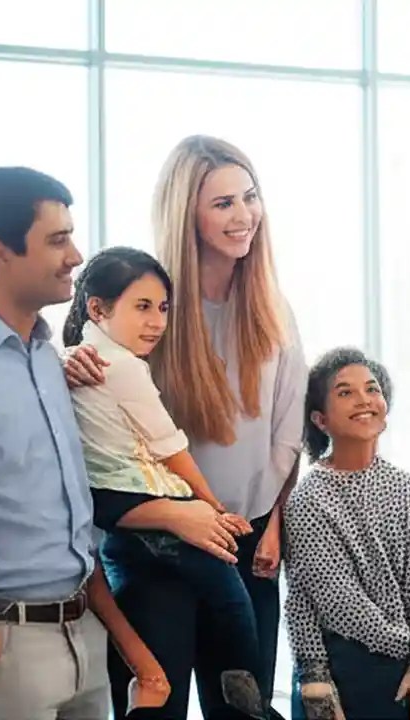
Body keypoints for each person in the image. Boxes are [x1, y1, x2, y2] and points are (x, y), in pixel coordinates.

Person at [64, 136, 308, 718]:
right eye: (223, 202)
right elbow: (104, 435)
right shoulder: (151, 308)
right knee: (158, 704)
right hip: (156, 543)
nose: (243, 215)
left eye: (249, 197)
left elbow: (288, 438)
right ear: (186, 213)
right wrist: (68, 362)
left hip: (245, 544)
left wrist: (272, 528)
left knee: (241, 708)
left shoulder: (275, 310)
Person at [0, 166, 169, 718]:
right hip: (7, 640)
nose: (76, 256)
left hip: (83, 628)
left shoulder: (47, 354)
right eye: (57, 240)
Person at [63, 245, 269, 718]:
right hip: (153, 511)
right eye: (142, 307)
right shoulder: (121, 367)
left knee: (160, 674)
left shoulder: (77, 359)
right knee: (235, 611)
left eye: (162, 308)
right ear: (97, 308)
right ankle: (251, 705)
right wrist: (213, 507)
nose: (157, 321)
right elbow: (171, 448)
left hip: (123, 534)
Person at [284, 347, 410, 720]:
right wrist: (315, 679)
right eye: (345, 392)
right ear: (320, 420)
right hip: (345, 663)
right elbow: (313, 600)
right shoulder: (310, 497)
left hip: (407, 665)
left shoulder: (407, 488)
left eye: (372, 389)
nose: (364, 400)